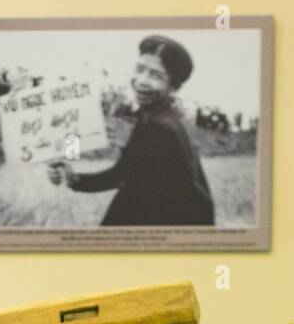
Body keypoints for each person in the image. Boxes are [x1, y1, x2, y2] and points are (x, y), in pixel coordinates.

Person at [47, 35, 214, 226]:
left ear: (173, 87)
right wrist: (74, 178)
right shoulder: (154, 115)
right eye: (140, 69)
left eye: (155, 75)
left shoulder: (161, 128)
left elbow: (130, 189)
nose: (141, 80)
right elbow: (124, 172)